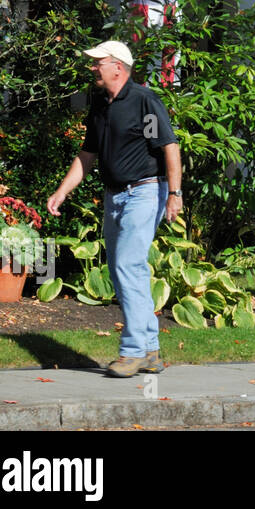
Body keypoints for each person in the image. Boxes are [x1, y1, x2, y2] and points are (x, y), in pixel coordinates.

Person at [47, 41, 182, 377]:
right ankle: (150, 350)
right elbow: (87, 155)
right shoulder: (100, 105)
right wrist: (62, 191)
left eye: (99, 63)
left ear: (118, 66)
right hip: (114, 196)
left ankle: (132, 352)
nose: (93, 68)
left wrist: (174, 193)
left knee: (128, 265)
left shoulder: (143, 101)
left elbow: (168, 148)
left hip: (145, 192)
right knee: (125, 273)